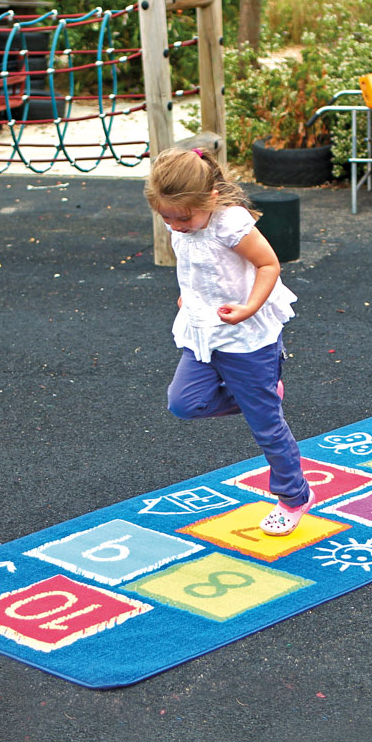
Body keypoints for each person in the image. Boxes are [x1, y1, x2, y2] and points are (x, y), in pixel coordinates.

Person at [144, 147, 314, 536]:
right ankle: (265, 392)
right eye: (165, 217)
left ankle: (294, 496)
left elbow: (268, 264)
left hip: (246, 337)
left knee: (266, 425)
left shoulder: (229, 224)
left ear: (212, 198)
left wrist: (249, 308)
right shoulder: (181, 220)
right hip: (203, 331)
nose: (175, 224)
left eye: (182, 217)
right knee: (183, 403)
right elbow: (192, 263)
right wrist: (189, 293)